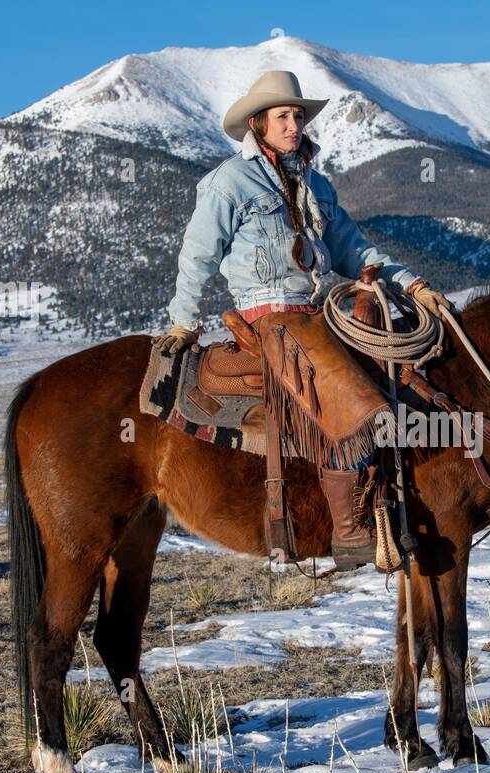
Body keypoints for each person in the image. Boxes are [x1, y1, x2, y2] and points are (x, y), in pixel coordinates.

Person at [157, 70, 452, 568]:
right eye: (283, 117)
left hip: (318, 312)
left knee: (393, 366)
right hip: (270, 316)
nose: (294, 125)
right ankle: (350, 530)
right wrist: (183, 320)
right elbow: (198, 254)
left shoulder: (316, 184)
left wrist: (413, 284)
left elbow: (355, 251)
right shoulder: (230, 181)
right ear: (258, 124)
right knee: (355, 399)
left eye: (298, 116)